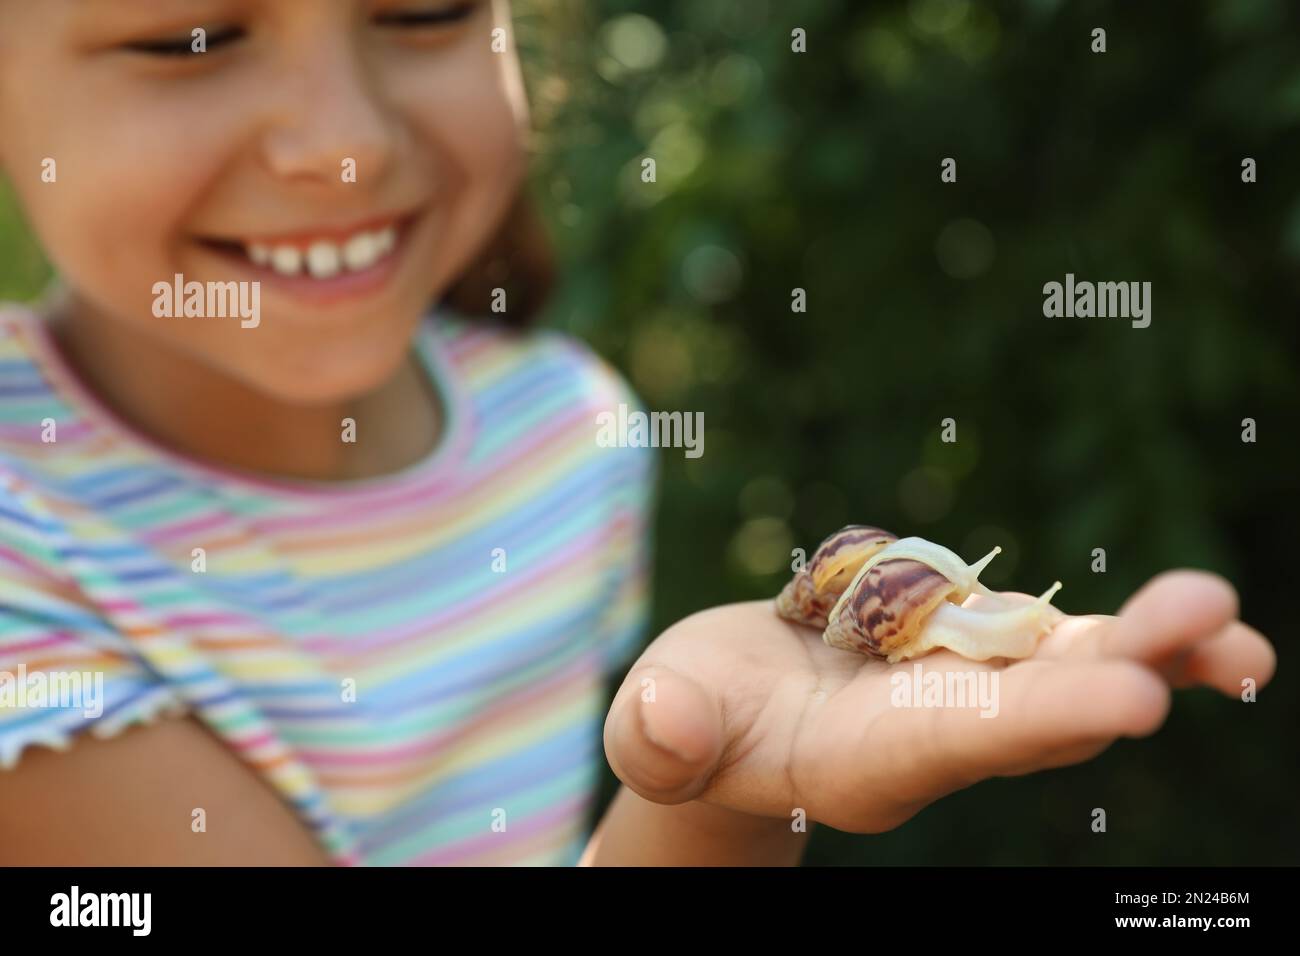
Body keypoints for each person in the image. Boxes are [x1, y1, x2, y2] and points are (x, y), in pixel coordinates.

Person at [0, 0, 1275, 866]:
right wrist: (713, 808)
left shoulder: (566, 434)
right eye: (188, 35)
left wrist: (713, 787)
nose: (342, 142)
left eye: (427, 7)